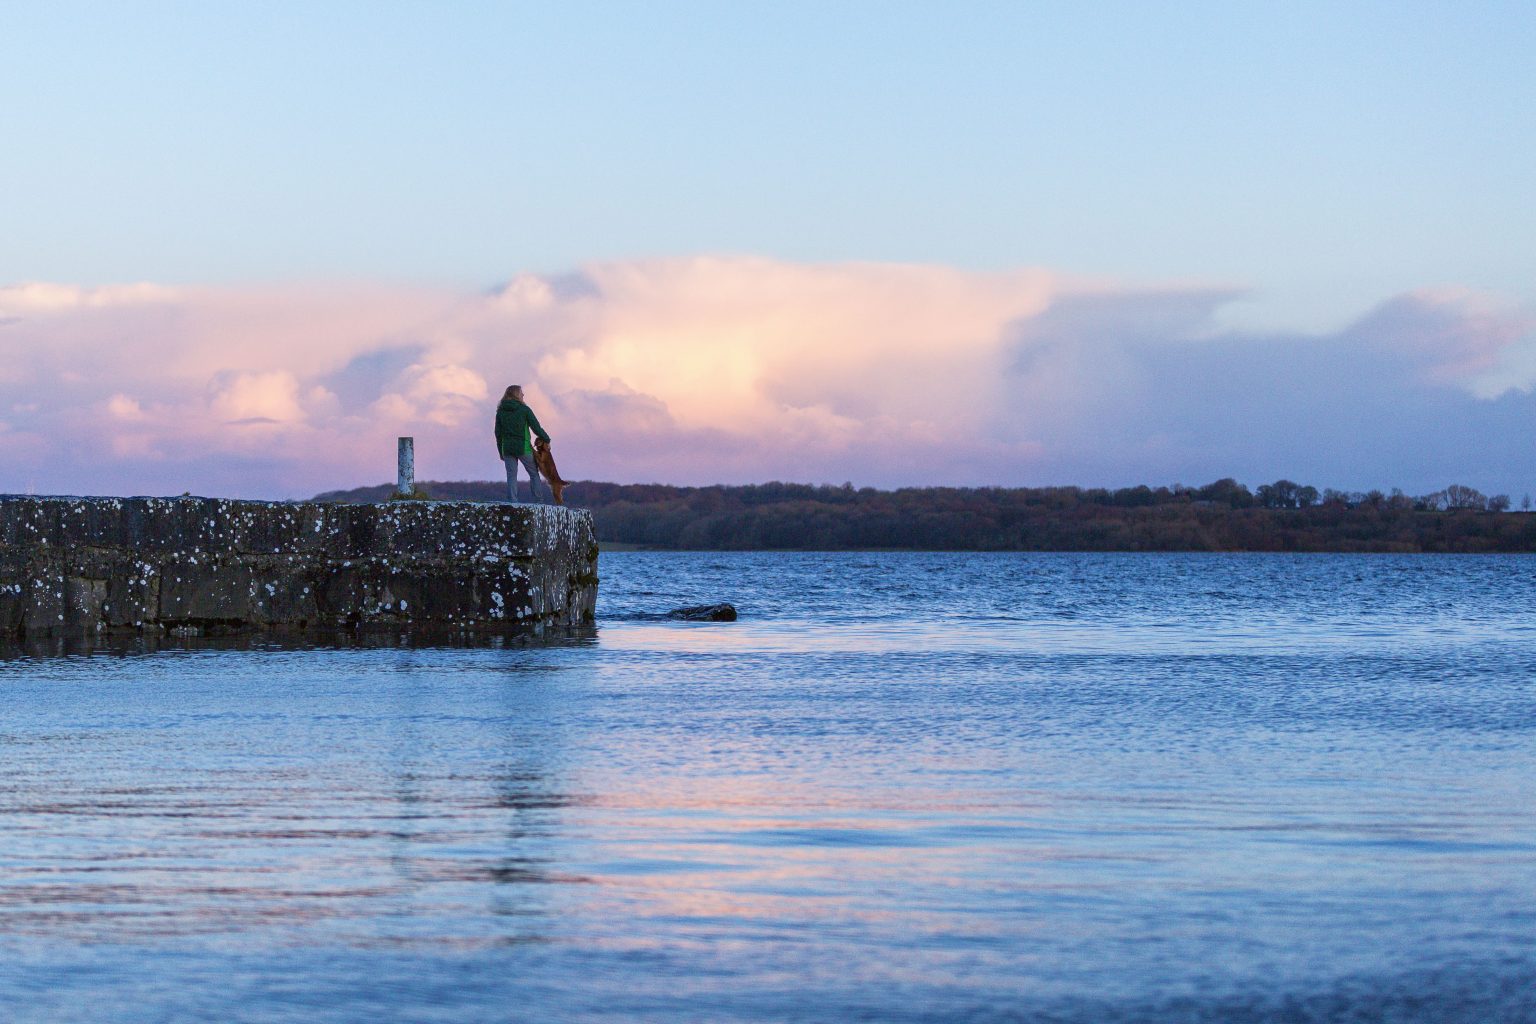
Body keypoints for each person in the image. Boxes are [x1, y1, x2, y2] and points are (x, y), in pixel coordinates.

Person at [494, 385, 552, 503]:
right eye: (521, 393)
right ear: (516, 394)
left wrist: (501, 451)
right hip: (523, 447)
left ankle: (513, 502)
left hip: (507, 449)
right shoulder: (524, 409)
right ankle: (538, 501)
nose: (523, 395)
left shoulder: (500, 411)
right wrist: (547, 439)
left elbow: (498, 434)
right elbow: (536, 428)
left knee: (511, 476)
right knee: (534, 474)